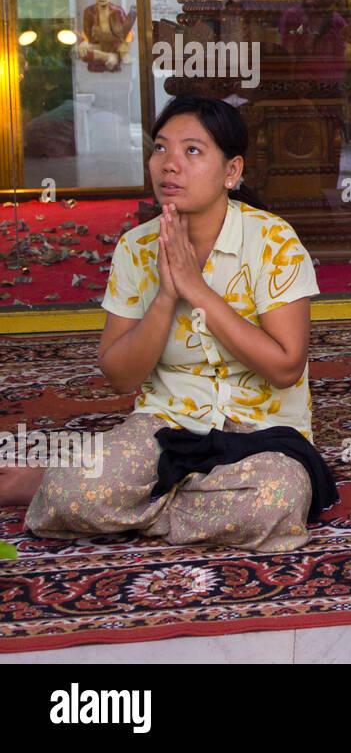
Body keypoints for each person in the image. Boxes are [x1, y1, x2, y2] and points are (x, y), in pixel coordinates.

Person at [0, 97, 325, 551]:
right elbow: (120, 375)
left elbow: (286, 367)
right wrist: (166, 296)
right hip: (167, 428)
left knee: (274, 499)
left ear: (231, 171)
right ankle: (158, 497)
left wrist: (198, 290)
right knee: (67, 491)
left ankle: (130, 505)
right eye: (160, 148)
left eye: (192, 151)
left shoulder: (272, 240)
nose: (170, 164)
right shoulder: (137, 248)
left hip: (261, 435)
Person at [76, 0, 136, 72]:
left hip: (116, 43)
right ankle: (110, 57)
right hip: (99, 44)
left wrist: (125, 46)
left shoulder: (117, 11)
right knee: (82, 53)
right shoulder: (89, 11)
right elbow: (87, 30)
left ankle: (119, 55)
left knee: (125, 44)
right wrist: (85, 42)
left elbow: (126, 30)